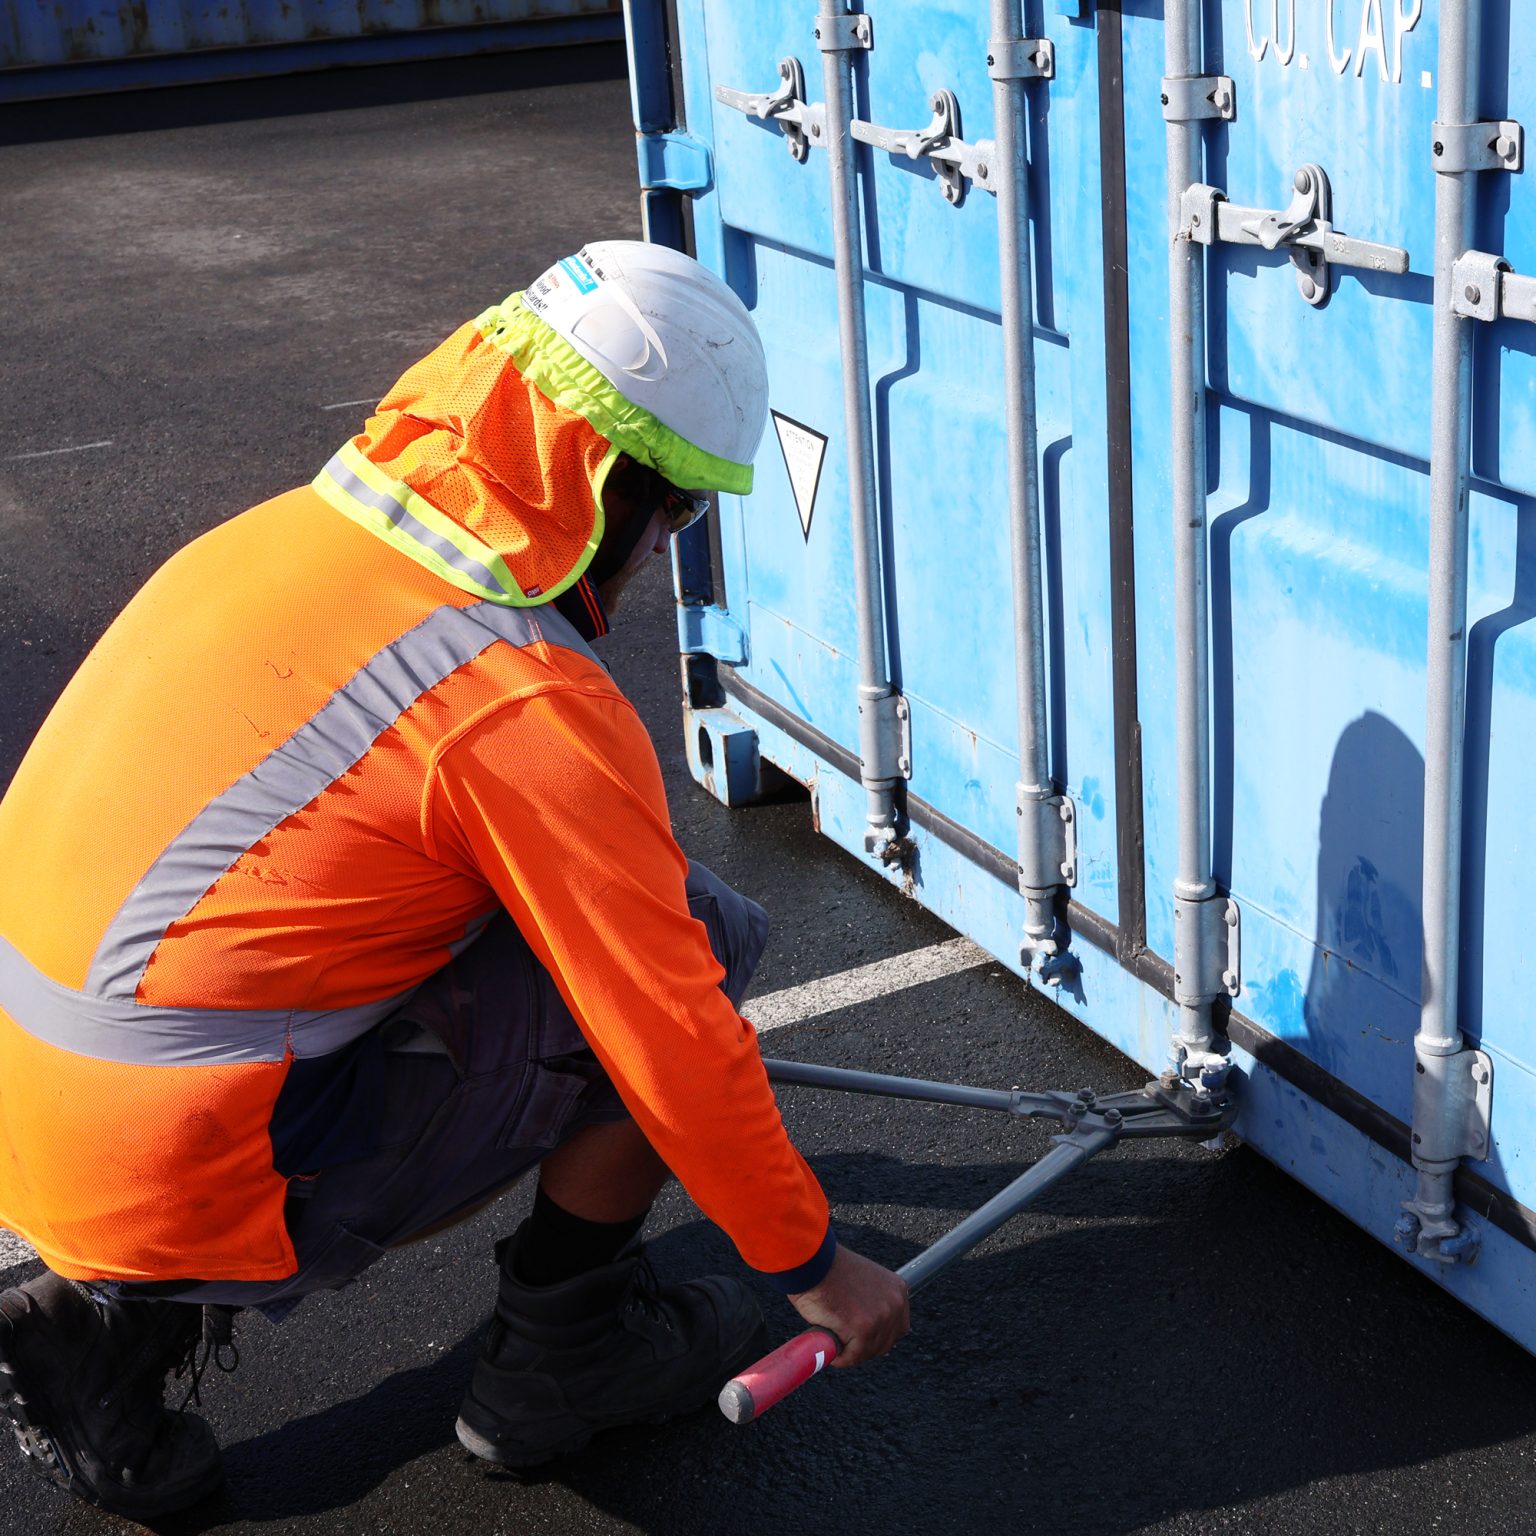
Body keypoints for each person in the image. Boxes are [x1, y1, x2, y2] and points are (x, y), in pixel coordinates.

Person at [0, 241, 910, 1521]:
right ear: (606, 490)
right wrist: (816, 1267)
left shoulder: (283, 540)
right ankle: (561, 1360)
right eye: (681, 509)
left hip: (41, 1120)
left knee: (419, 904)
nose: (670, 545)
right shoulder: (516, 697)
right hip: (188, 1153)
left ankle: (99, 1326)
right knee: (695, 937)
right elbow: (671, 1032)